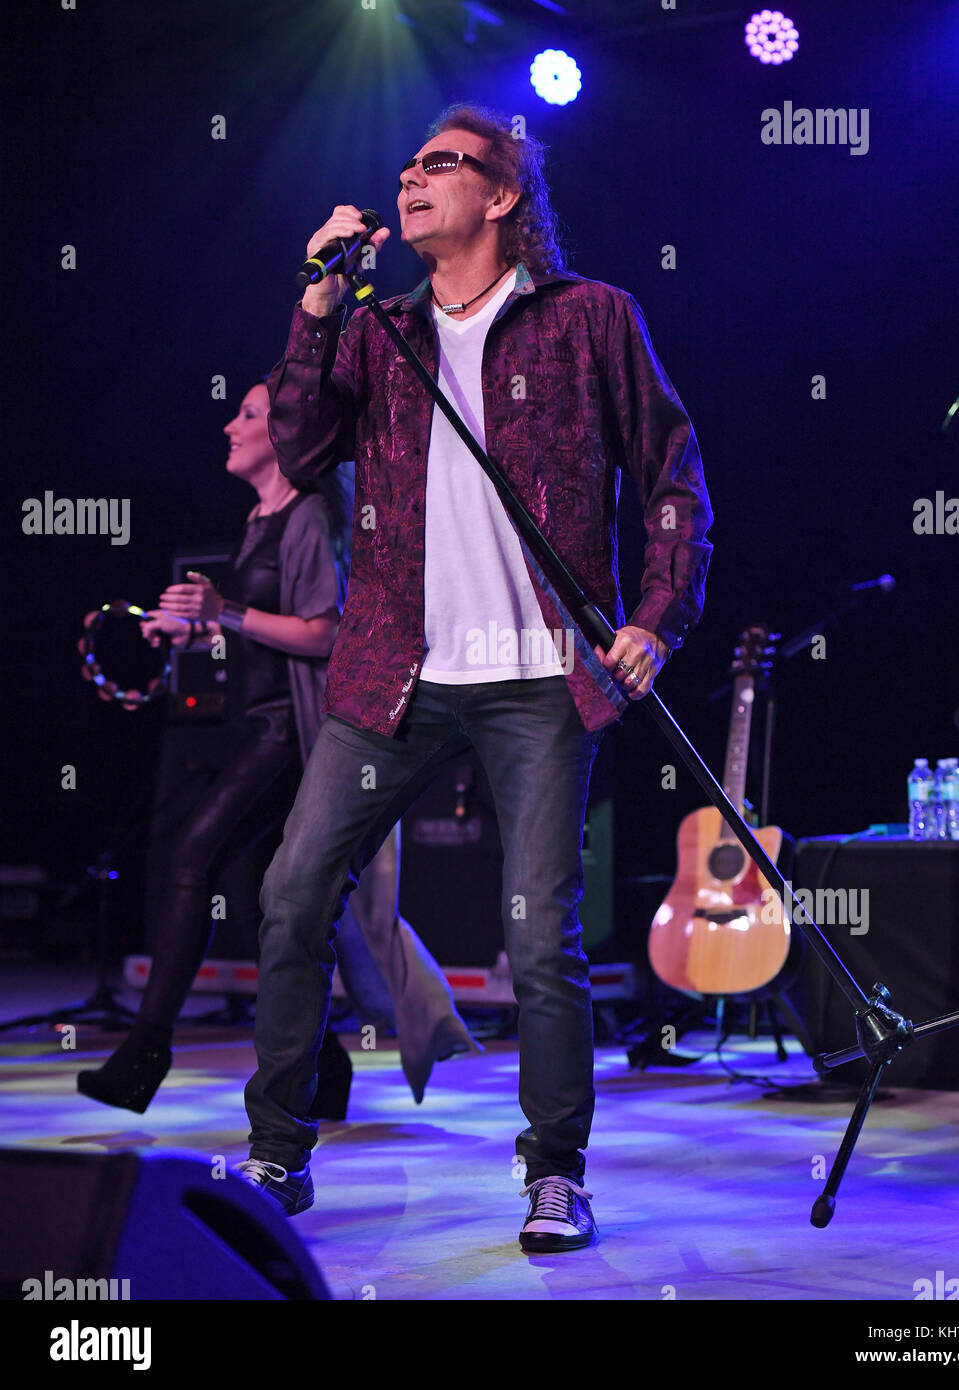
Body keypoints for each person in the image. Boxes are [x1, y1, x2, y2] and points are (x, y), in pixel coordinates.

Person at [240, 103, 713, 1253]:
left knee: (538, 934)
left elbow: (670, 477)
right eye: (405, 165)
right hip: (393, 672)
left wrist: (657, 614)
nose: (410, 180)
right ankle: (274, 1153)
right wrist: (312, 304)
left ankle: (553, 1172)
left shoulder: (590, 318)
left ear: (500, 197)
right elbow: (297, 452)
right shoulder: (372, 330)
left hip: (540, 679)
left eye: (440, 166)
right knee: (293, 892)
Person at [77, 383, 476, 1120]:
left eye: (251, 415)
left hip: (299, 734)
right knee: (278, 899)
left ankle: (146, 1051)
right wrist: (199, 629)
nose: (231, 423)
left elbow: (326, 633)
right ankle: (324, 1062)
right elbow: (268, 628)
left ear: (287, 436)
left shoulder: (313, 515)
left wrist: (223, 610)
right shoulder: (259, 517)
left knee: (196, 853)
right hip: (263, 722)